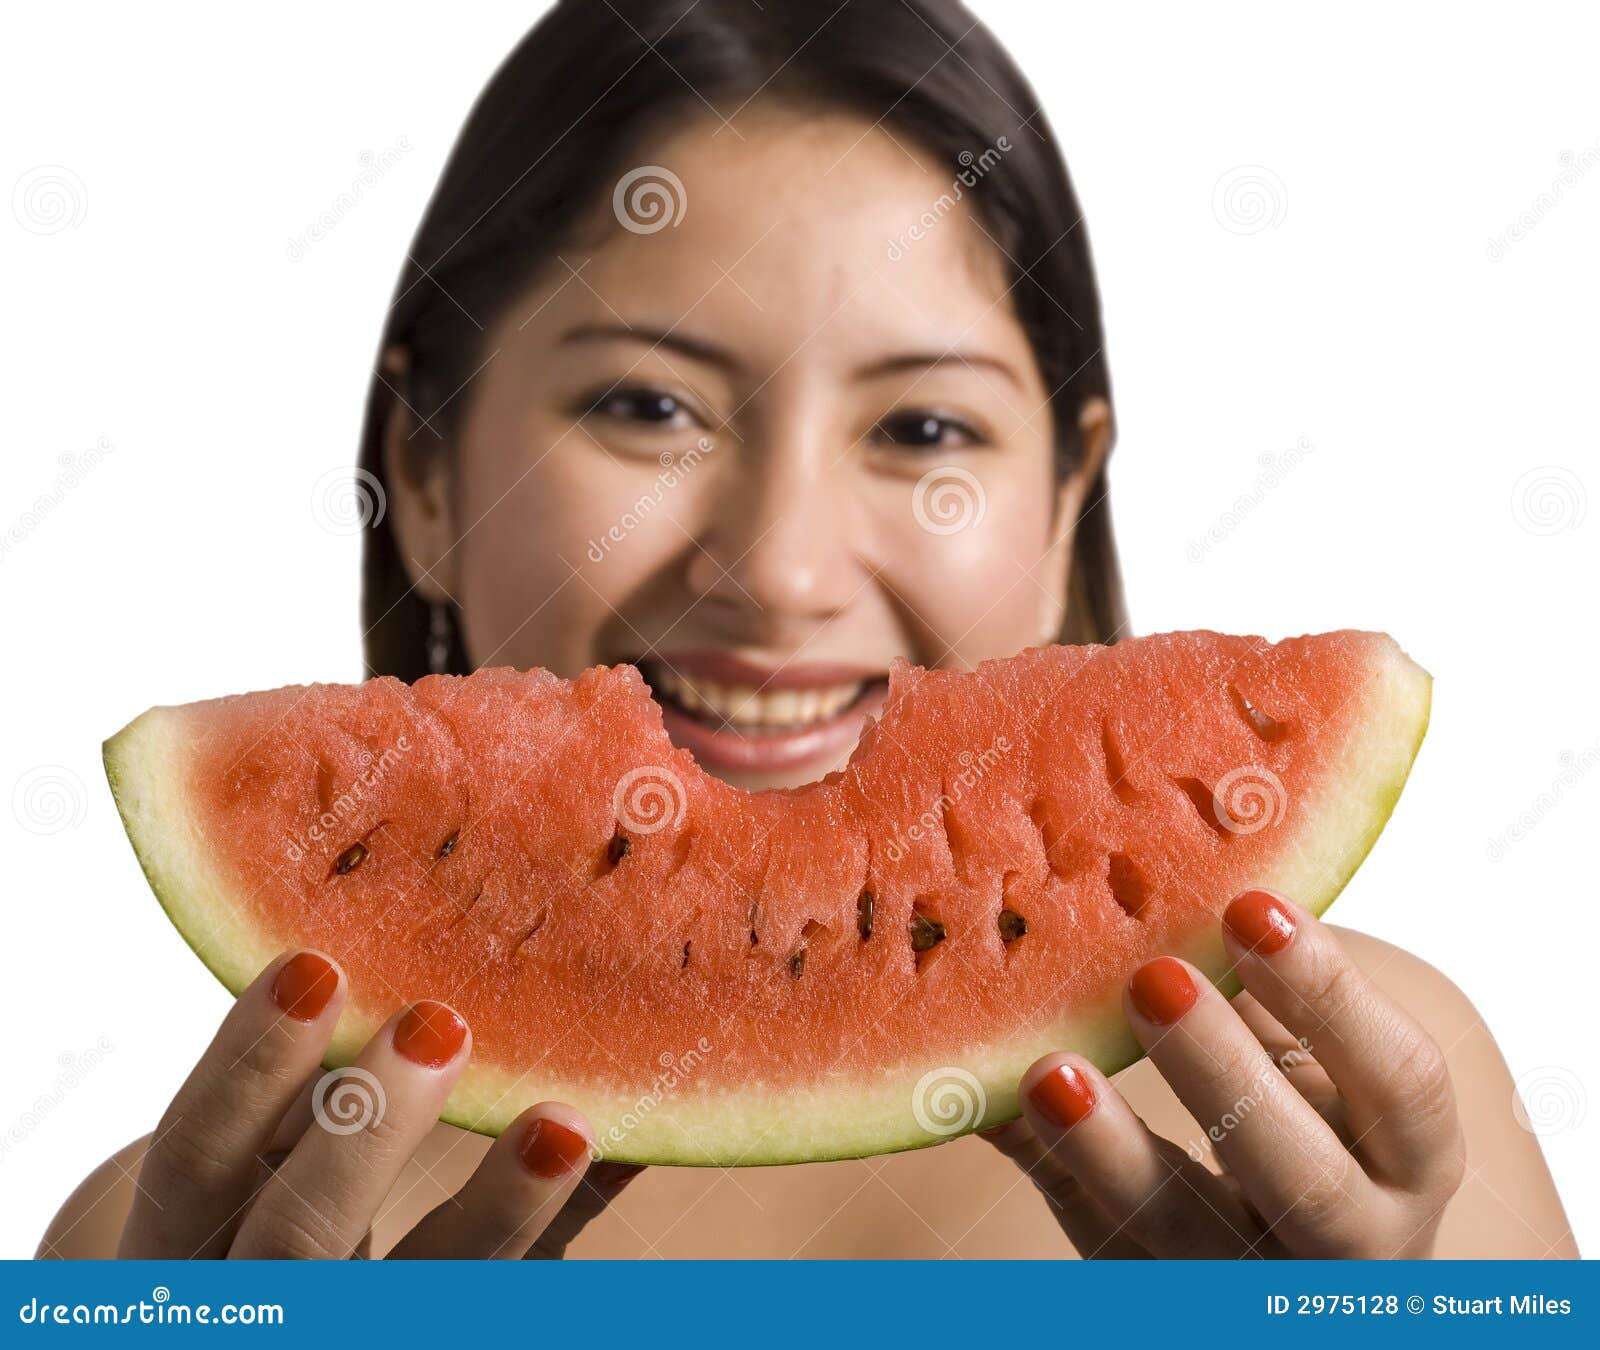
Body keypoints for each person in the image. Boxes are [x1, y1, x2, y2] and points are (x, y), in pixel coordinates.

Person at [42, 0, 1574, 1259]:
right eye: (647, 406)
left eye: (920, 427)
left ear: (1062, 497)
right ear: (425, 471)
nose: (778, 571)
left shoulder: (1367, 1139)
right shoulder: (168, 1247)